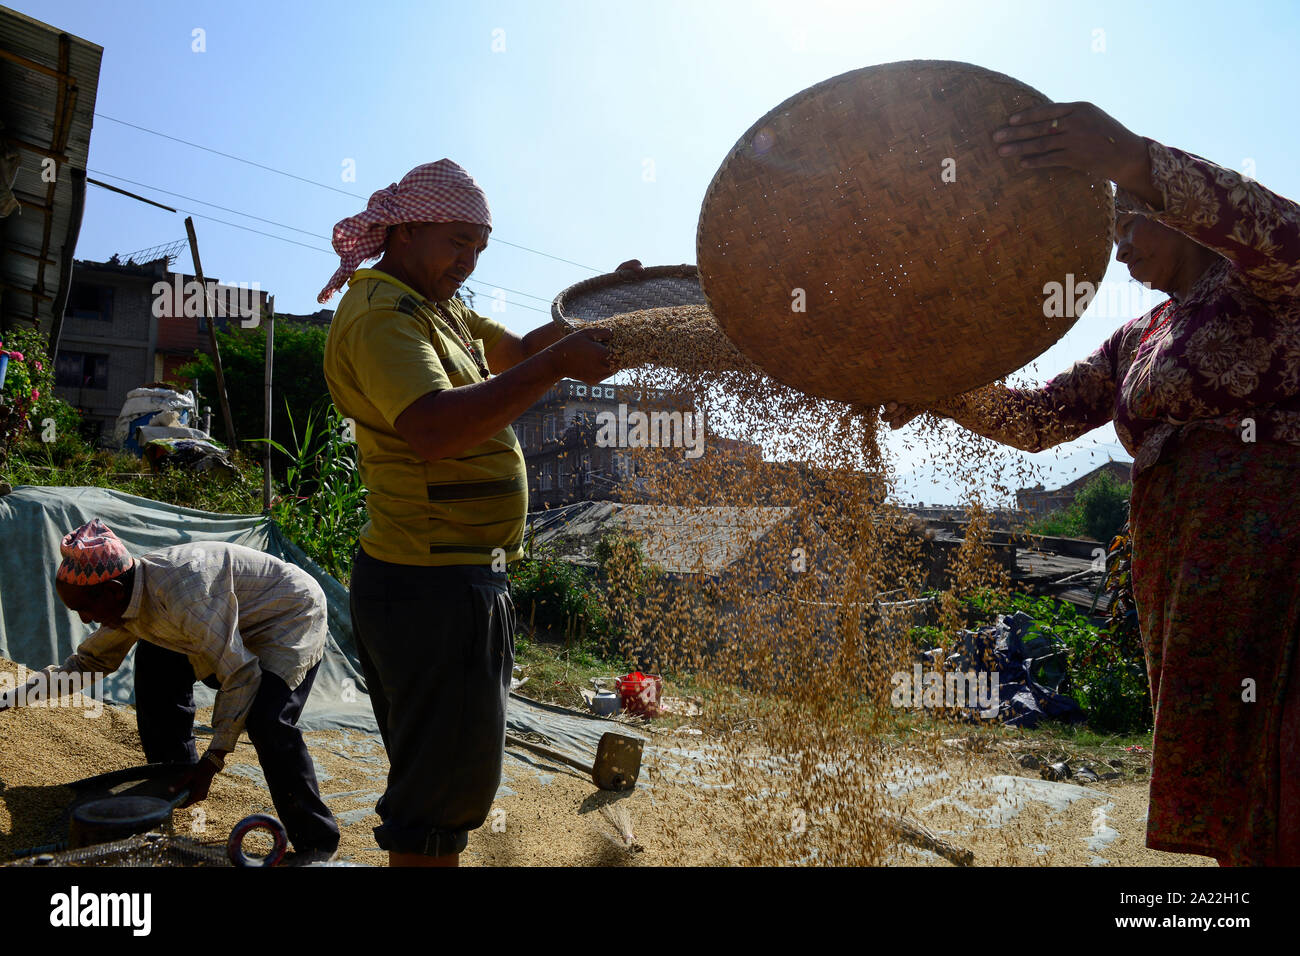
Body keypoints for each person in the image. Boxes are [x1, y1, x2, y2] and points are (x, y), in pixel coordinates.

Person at [883, 101, 1300, 866]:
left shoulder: (1270, 286)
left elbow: (1279, 227)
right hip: (1184, 564)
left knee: (1281, 733)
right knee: (1226, 750)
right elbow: (1038, 419)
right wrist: (937, 385)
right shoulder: (1141, 337)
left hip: (1273, 552)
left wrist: (1135, 159)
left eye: (1128, 230)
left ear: (1177, 220)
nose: (1119, 256)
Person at [320, 159, 615, 867]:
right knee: (438, 800)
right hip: (429, 586)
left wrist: (602, 321)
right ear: (407, 228)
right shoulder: (382, 316)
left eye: (479, 247)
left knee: (447, 784)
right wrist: (554, 368)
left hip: (462, 581)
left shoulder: (437, 304)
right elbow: (433, 429)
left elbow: (513, 351)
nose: (468, 260)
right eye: (457, 241)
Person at [0, 519, 340, 864]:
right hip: (227, 626)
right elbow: (87, 664)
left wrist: (212, 760)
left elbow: (240, 672)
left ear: (114, 589)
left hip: (288, 614)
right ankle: (173, 783)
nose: (86, 619)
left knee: (267, 720)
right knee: (154, 662)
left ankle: (316, 841)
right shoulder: (129, 600)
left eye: (84, 609)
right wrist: (10, 699)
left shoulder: (185, 594)